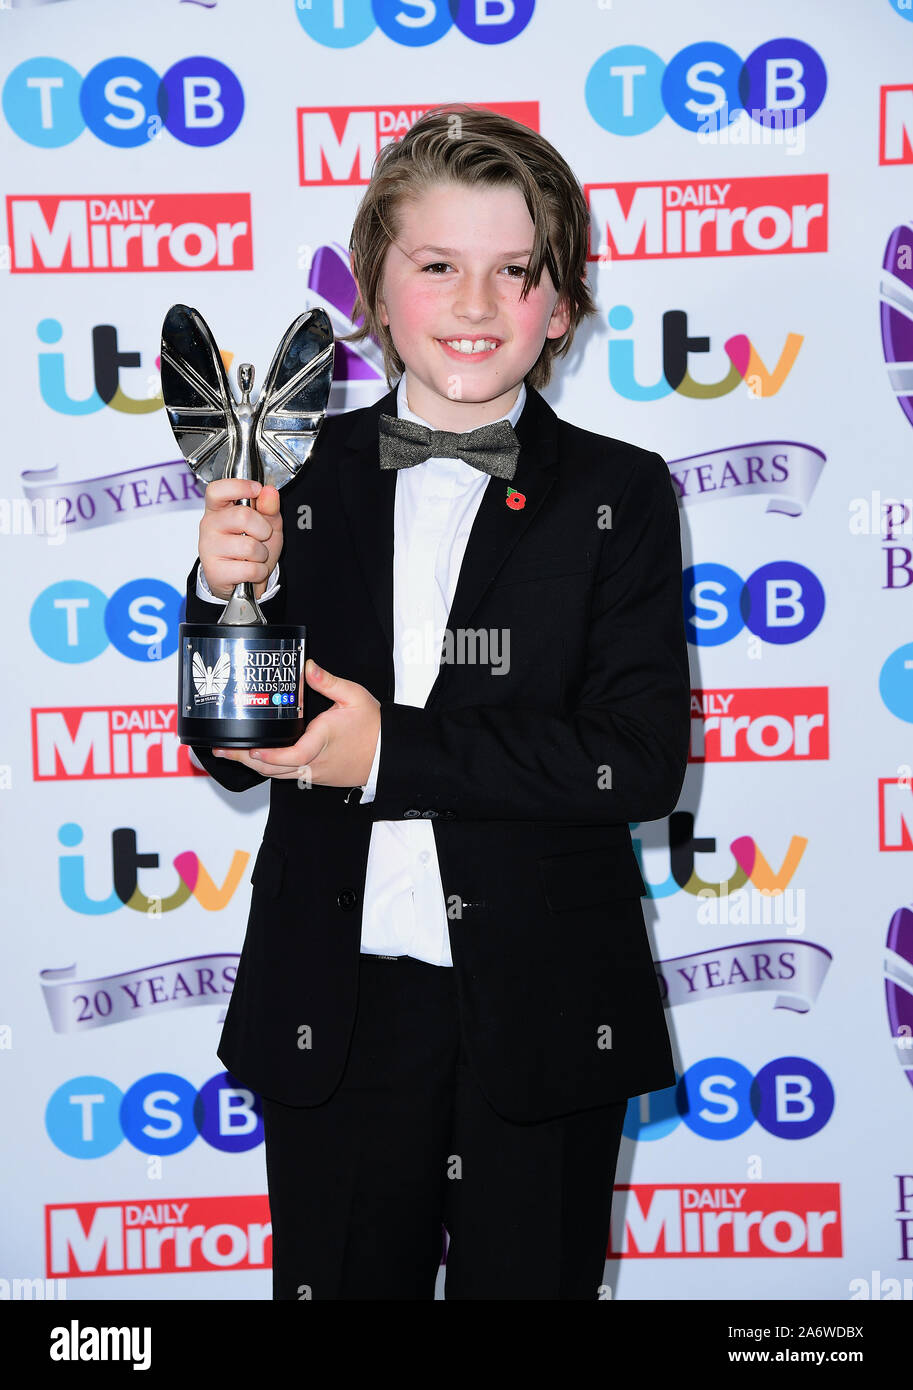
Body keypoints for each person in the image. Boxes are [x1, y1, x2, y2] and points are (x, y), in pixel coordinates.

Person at [184, 104, 690, 1300]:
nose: (476, 305)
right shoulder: (297, 481)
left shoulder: (621, 492)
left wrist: (384, 754)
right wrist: (220, 591)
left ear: (560, 303)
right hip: (337, 1006)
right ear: (375, 290)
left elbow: (635, 760)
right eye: (438, 266)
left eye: (516, 272)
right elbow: (229, 750)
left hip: (543, 1001)